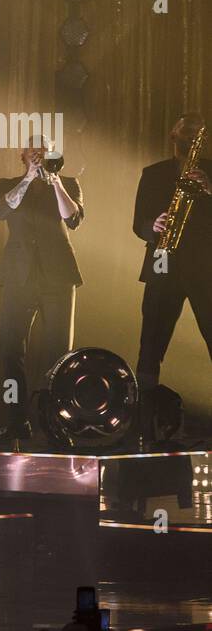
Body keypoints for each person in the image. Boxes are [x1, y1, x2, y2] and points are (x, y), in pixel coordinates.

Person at [0, 134, 84, 443]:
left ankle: (56, 423)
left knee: (59, 353)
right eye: (33, 150)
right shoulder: (7, 183)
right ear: (22, 155)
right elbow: (2, 210)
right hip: (19, 277)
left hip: (57, 276)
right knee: (10, 351)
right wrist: (29, 179)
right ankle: (17, 422)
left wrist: (54, 180)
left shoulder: (68, 183)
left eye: (43, 149)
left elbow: (72, 218)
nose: (38, 154)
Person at [131, 113, 211, 439]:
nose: (189, 139)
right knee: (151, 343)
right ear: (172, 134)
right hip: (163, 261)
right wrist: (153, 226)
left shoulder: (210, 170)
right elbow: (137, 224)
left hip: (204, 266)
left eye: (196, 134)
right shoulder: (153, 174)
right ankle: (141, 424)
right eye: (184, 133)